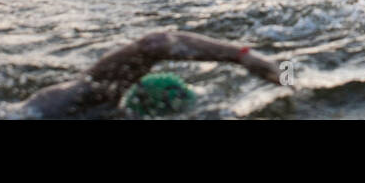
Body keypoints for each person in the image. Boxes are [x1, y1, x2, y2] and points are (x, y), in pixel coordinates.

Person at [17, 31, 282, 118]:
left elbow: (155, 44)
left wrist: (242, 56)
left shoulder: (87, 97)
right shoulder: (94, 97)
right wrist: (241, 54)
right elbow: (153, 44)